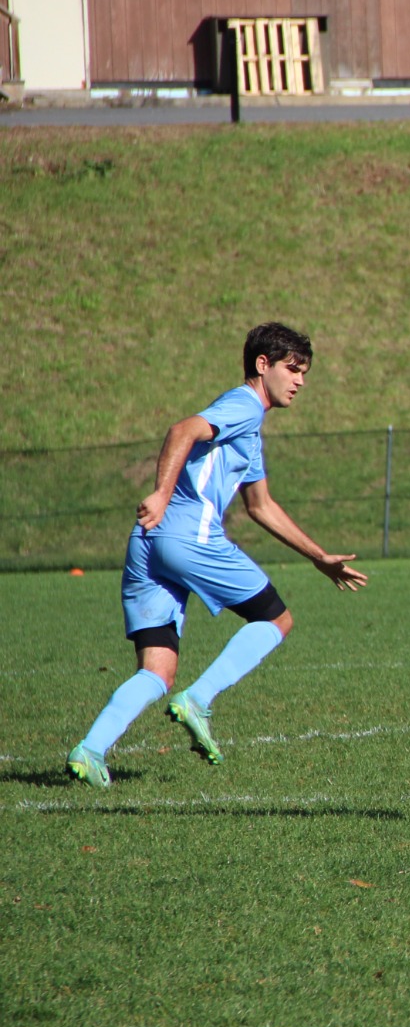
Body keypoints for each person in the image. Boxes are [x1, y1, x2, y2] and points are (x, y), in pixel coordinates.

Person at [66, 324, 369, 788]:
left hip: (147, 543)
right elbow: (183, 429)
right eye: (293, 369)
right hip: (189, 538)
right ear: (262, 365)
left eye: (304, 372)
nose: (301, 381)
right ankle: (199, 699)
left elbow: (260, 506)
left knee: (158, 670)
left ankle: (89, 751)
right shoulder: (244, 405)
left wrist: (317, 556)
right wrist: (164, 493)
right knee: (276, 620)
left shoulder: (248, 431)